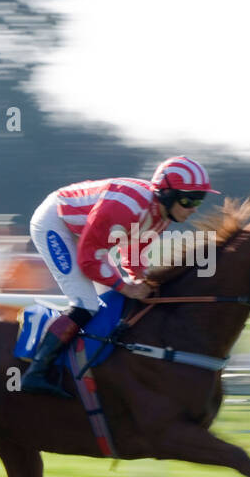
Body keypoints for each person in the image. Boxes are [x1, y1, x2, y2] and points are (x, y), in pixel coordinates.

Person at [21, 155, 218, 397]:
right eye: (188, 200)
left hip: (87, 234)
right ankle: (36, 372)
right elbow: (89, 260)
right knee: (86, 305)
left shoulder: (161, 217)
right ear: (166, 194)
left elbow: (133, 253)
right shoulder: (126, 208)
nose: (194, 208)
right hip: (56, 223)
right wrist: (126, 287)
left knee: (113, 299)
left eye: (200, 199)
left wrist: (141, 280)